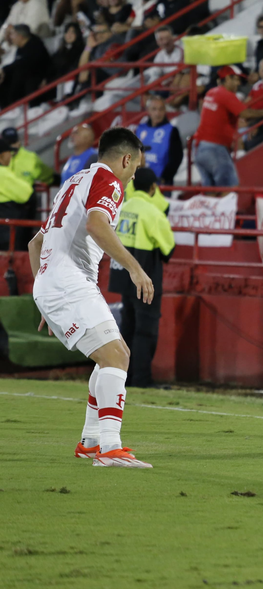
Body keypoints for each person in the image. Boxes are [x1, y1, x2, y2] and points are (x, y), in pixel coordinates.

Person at [29, 127, 155, 468]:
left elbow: (35, 244)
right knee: (117, 356)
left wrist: (42, 292)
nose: (132, 176)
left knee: (115, 355)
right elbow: (97, 226)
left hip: (55, 282)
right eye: (135, 167)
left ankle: (91, 441)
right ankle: (110, 448)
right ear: (126, 159)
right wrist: (135, 268)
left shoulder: (73, 182)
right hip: (68, 282)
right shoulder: (109, 182)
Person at [108, 167, 174, 389]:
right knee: (145, 330)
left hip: (123, 274)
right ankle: (141, 380)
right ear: (154, 188)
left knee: (127, 326)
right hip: (145, 276)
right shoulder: (153, 213)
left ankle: (123, 377)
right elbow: (168, 250)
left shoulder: (123, 208)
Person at [192, 66, 263, 187]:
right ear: (226, 79)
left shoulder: (211, 92)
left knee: (211, 190)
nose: (238, 83)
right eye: (235, 79)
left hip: (199, 147)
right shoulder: (225, 94)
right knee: (229, 187)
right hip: (214, 148)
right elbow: (245, 114)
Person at [134, 96, 183, 184]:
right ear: (148, 111)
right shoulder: (140, 129)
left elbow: (177, 158)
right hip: (140, 181)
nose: (158, 113)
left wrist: (165, 177)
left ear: (165, 111)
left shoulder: (172, 131)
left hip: (160, 182)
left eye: (161, 109)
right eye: (154, 109)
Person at [0, 24, 51, 108]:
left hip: (39, 77)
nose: (11, 37)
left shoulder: (35, 46)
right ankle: (6, 108)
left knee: (22, 78)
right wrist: (3, 71)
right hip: (25, 76)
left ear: (20, 36)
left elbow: (24, 64)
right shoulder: (21, 47)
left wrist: (4, 70)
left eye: (13, 34)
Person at [0, 138, 34, 250]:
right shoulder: (3, 174)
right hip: (5, 234)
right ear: (1, 155)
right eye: (8, 153)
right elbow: (26, 193)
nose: (10, 156)